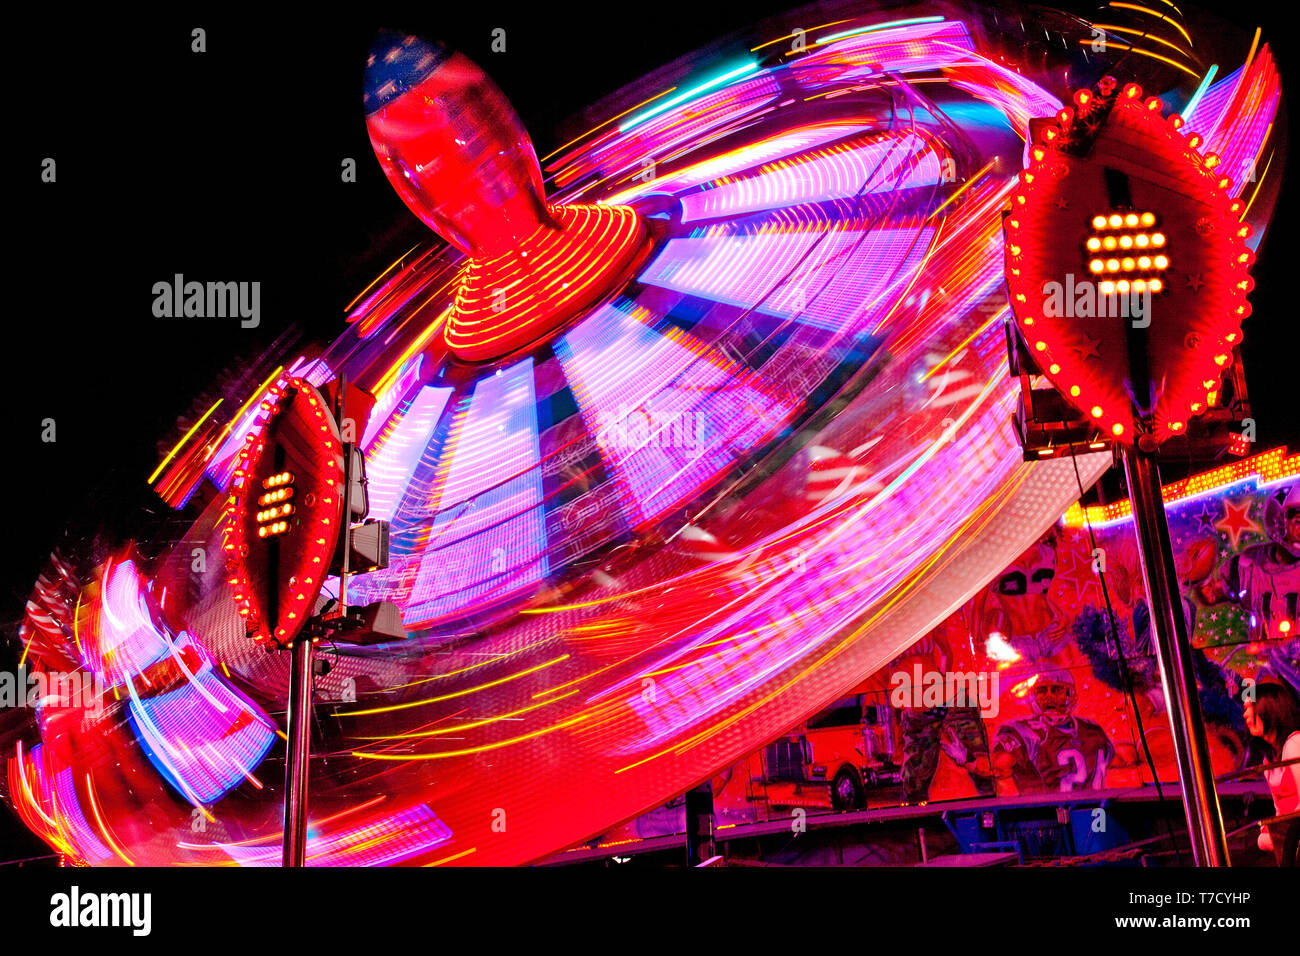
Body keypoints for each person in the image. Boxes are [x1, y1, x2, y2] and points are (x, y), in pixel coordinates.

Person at [1243, 681, 1300, 865]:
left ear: (1269, 708)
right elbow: (1279, 808)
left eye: (1249, 707)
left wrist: (1279, 830)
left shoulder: (1295, 744)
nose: (1245, 715)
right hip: (1287, 835)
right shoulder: (1268, 758)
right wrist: (1272, 826)